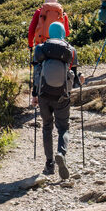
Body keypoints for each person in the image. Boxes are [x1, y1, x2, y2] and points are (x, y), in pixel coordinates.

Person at [31, 21, 80, 179]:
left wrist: (34, 95)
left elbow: (36, 73)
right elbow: (74, 77)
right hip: (62, 95)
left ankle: (49, 163)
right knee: (63, 128)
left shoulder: (40, 49)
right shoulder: (71, 50)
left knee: (47, 127)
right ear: (63, 33)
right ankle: (61, 153)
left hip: (44, 94)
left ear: (49, 33)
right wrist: (80, 80)